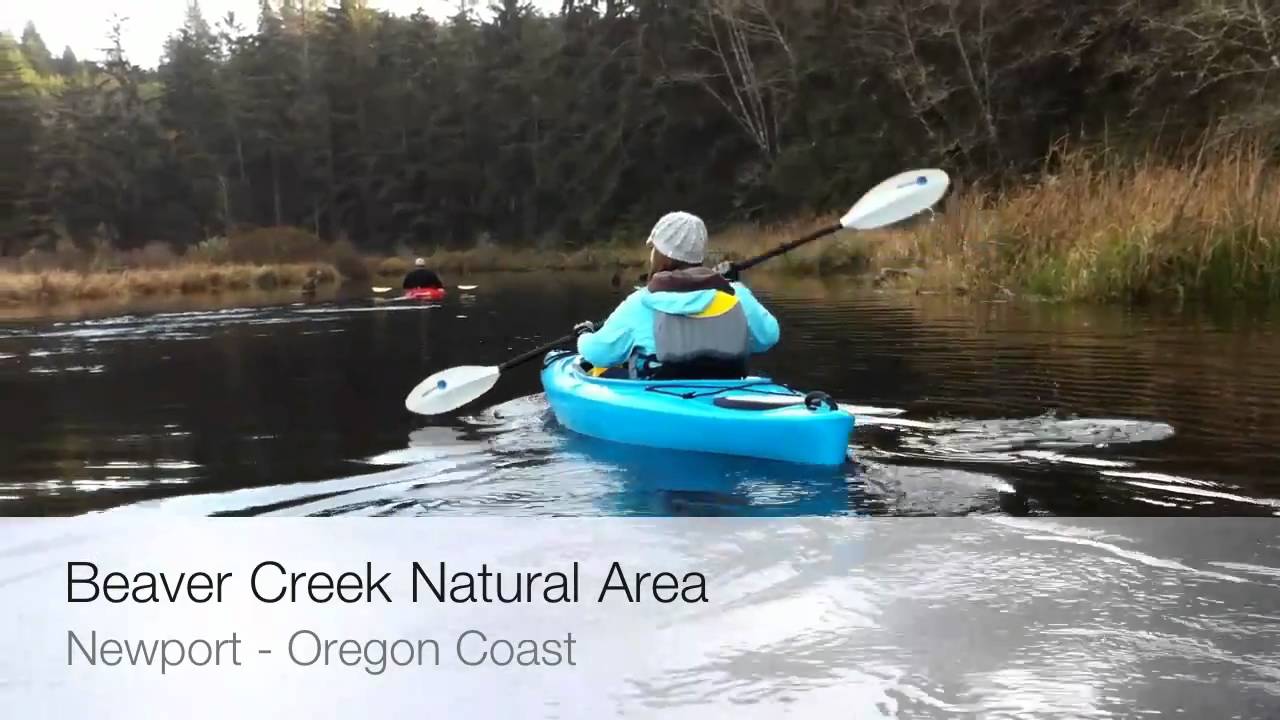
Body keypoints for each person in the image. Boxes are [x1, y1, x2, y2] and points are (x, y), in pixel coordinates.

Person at [573, 211, 779, 379]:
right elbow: (767, 337)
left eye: (654, 248)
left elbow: (598, 354)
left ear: (661, 254)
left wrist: (584, 334)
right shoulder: (735, 294)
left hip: (659, 400)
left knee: (604, 372)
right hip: (722, 393)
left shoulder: (641, 302)